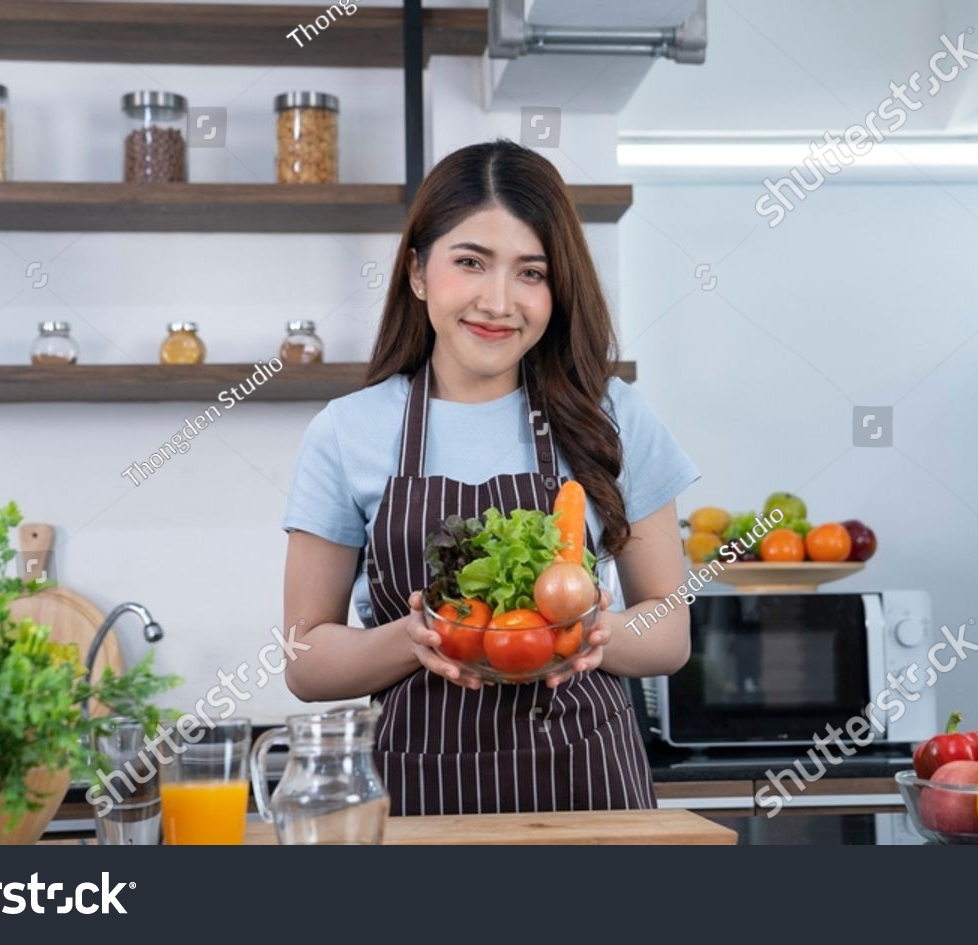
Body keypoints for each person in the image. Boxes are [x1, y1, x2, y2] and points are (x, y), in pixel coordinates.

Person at [281, 138, 699, 816]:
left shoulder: (613, 416)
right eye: (470, 262)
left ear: (558, 288)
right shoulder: (346, 431)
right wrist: (413, 640)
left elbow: (671, 629)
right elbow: (304, 657)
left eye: (530, 272)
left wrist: (595, 635)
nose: (498, 300)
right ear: (418, 271)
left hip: (587, 787)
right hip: (417, 795)